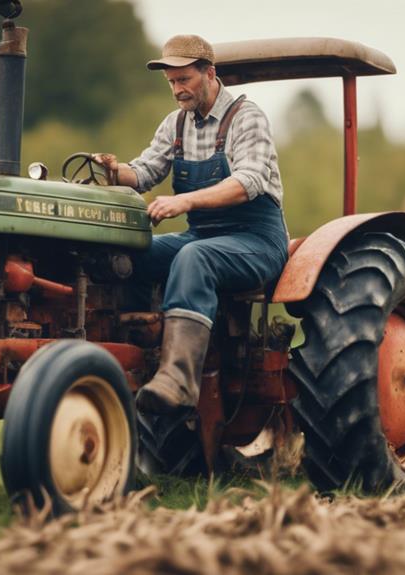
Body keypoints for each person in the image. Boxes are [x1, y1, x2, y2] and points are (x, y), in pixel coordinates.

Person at [93, 34, 288, 415]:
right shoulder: (176, 125)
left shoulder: (246, 117)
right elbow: (146, 171)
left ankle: (179, 380)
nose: (177, 90)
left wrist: (184, 200)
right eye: (171, 83)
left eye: (184, 80)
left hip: (256, 240)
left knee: (194, 257)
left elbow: (248, 182)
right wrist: (116, 171)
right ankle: (134, 359)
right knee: (130, 254)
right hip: (203, 235)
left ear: (209, 73)